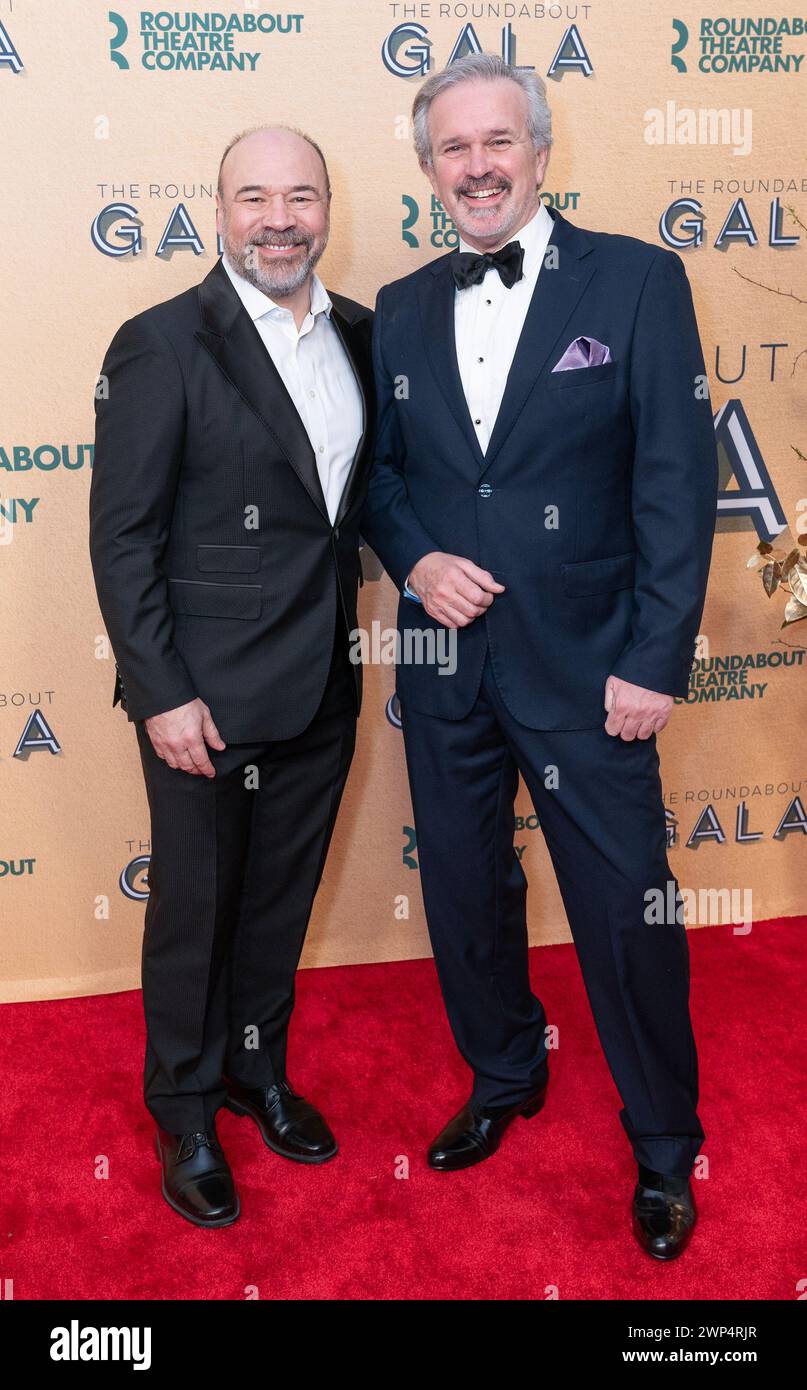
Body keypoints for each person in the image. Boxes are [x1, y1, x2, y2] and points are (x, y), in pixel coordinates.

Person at [360, 54, 718, 1261]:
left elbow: (678, 480)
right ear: (428, 169)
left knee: (625, 917)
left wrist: (656, 656)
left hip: (593, 670)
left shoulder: (636, 280)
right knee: (466, 896)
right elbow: (384, 481)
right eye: (452, 148)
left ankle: (666, 1144)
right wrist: (412, 562)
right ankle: (506, 1073)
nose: (476, 165)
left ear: (540, 151)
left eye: (496, 142)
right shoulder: (400, 306)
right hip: (445, 667)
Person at [90, 125, 374, 1227]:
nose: (278, 218)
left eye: (300, 195)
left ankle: (257, 1074)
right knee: (196, 912)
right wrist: (161, 692)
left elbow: (352, 511)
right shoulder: (161, 344)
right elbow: (122, 537)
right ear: (219, 211)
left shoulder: (360, 334)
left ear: (326, 210)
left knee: (277, 905)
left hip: (321, 686)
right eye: (254, 196)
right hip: (202, 699)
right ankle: (186, 1109)